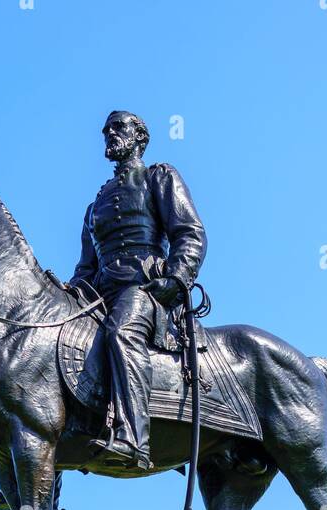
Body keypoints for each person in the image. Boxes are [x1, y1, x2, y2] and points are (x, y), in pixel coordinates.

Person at [67, 110, 207, 469]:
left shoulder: (158, 177)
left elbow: (189, 232)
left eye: (118, 128)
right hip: (99, 292)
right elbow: (86, 267)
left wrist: (177, 279)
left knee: (121, 333)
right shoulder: (93, 207)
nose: (109, 134)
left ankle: (133, 439)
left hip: (145, 287)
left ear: (139, 137)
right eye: (106, 130)